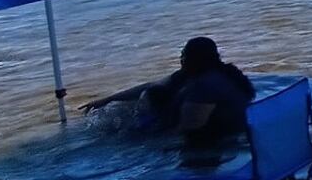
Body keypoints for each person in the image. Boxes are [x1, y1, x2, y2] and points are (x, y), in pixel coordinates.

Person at [81, 36, 256, 141]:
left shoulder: (205, 86)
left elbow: (188, 129)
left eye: (183, 55)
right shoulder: (211, 72)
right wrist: (107, 100)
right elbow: (151, 86)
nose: (181, 59)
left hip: (215, 137)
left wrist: (146, 142)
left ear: (193, 59)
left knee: (118, 134)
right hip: (221, 126)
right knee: (122, 113)